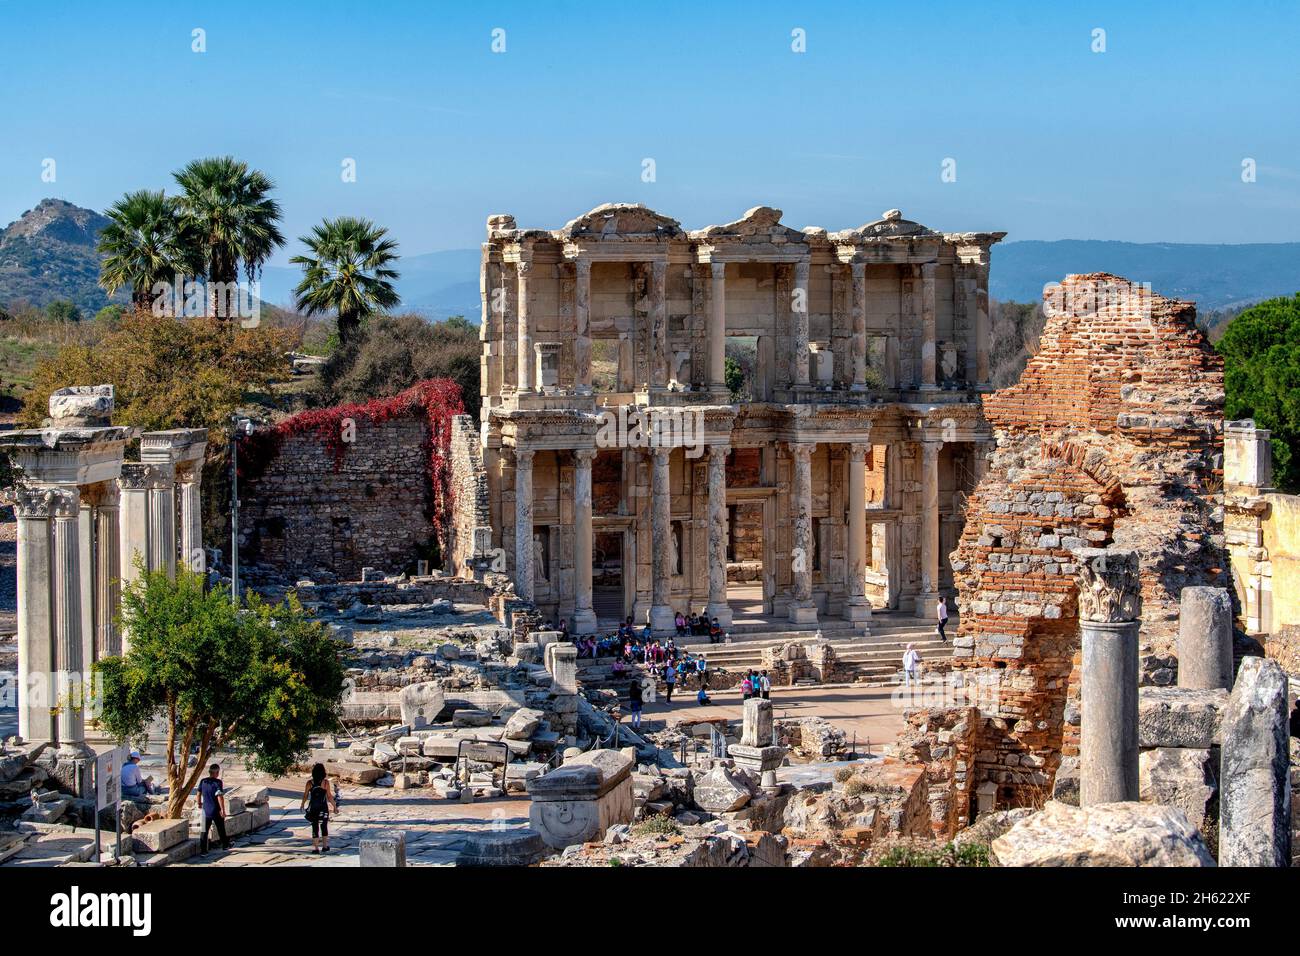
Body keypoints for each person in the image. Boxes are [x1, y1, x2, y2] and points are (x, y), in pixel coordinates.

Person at [301, 762, 337, 854]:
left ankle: (316, 848)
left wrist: (302, 804)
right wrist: (334, 806)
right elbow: (329, 796)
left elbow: (305, 795)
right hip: (323, 808)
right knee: (324, 826)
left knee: (315, 827)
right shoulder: (325, 783)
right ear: (323, 772)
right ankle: (325, 847)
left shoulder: (309, 783)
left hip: (313, 808)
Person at [197, 763, 230, 854]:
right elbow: (219, 796)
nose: (218, 773)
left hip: (205, 810)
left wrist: (199, 803)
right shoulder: (218, 782)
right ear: (216, 772)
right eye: (218, 772)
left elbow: (198, 793)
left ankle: (203, 851)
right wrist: (223, 810)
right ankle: (225, 845)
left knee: (204, 831)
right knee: (221, 828)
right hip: (215, 810)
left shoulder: (203, 781)